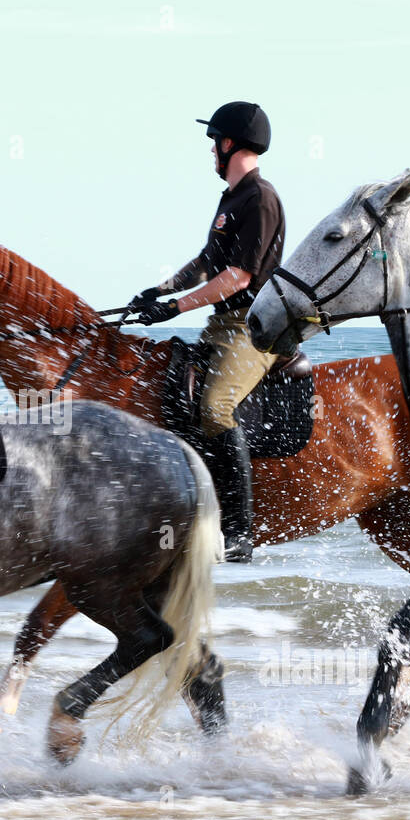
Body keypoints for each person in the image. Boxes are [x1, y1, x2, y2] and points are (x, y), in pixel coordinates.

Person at [127, 101, 286, 561]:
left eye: (214, 142)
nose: (211, 152)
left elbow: (238, 276)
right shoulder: (232, 197)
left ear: (229, 143)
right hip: (220, 323)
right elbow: (205, 262)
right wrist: (158, 291)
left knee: (216, 407)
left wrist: (175, 307)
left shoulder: (261, 197)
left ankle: (239, 532)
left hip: (251, 327)